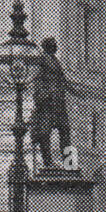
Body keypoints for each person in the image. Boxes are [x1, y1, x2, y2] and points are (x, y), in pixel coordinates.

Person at [31, 37, 77, 170]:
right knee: (45, 133)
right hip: (48, 102)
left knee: (65, 131)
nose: (56, 46)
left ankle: (69, 164)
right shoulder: (42, 60)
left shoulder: (55, 60)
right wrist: (41, 97)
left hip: (59, 101)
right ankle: (48, 163)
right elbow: (37, 80)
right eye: (54, 44)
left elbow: (63, 80)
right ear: (48, 46)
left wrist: (75, 91)